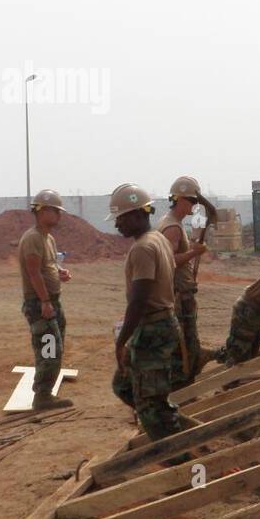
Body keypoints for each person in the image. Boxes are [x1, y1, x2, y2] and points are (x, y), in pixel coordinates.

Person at [110, 183, 185, 441]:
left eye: (120, 218)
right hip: (158, 324)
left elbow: (139, 299)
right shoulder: (159, 240)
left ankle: (177, 457)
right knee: (123, 384)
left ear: (137, 215)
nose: (117, 224)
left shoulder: (143, 248)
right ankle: (167, 423)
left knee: (149, 405)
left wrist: (121, 341)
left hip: (153, 328)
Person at [18, 189, 73, 410]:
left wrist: (60, 272)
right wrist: (45, 302)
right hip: (40, 303)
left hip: (51, 302)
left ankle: (45, 392)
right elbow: (34, 273)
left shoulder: (47, 238)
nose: (59, 216)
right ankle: (42, 396)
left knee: (54, 347)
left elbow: (47, 265)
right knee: (49, 349)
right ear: (41, 211)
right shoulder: (32, 238)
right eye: (55, 211)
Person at [159, 176, 212, 385]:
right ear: (179, 199)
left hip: (182, 292)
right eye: (191, 201)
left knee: (188, 344)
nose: (194, 205)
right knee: (183, 347)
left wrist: (192, 247)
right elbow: (169, 261)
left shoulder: (174, 224)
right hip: (179, 294)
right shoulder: (171, 227)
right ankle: (182, 389)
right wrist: (193, 253)